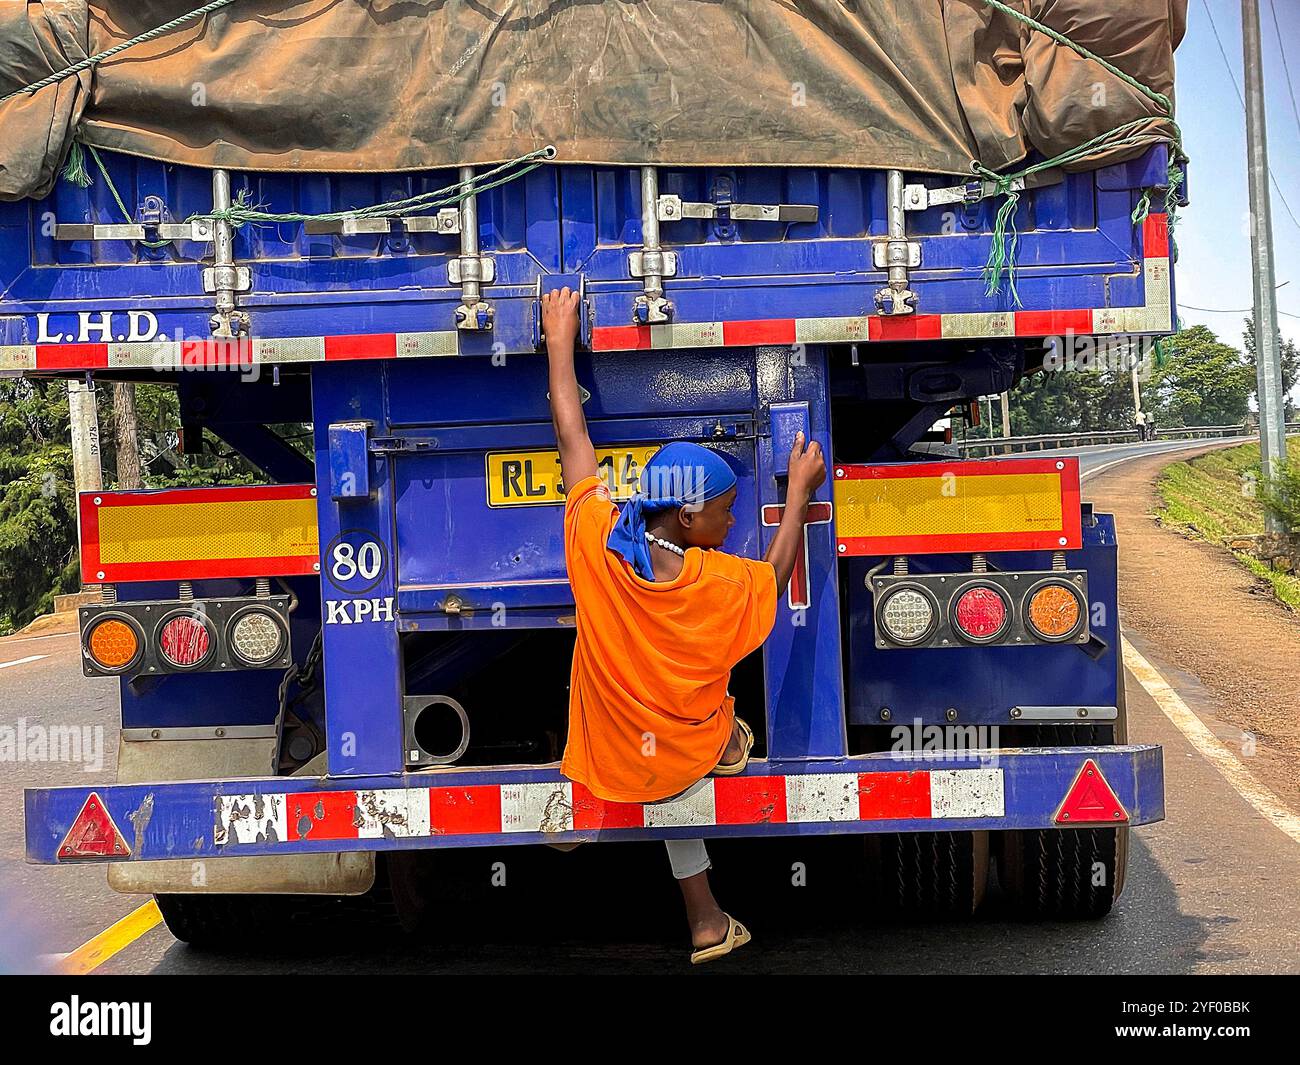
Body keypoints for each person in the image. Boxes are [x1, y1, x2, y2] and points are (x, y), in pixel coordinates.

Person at [542, 287, 826, 964]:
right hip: (679, 763)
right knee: (712, 725)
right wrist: (796, 497)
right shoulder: (719, 585)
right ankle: (728, 746)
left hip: (605, 764)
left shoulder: (595, 540)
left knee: (652, 722)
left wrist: (560, 343)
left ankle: (699, 912)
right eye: (727, 513)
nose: (731, 524)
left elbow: (571, 434)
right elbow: (778, 572)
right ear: (691, 520)